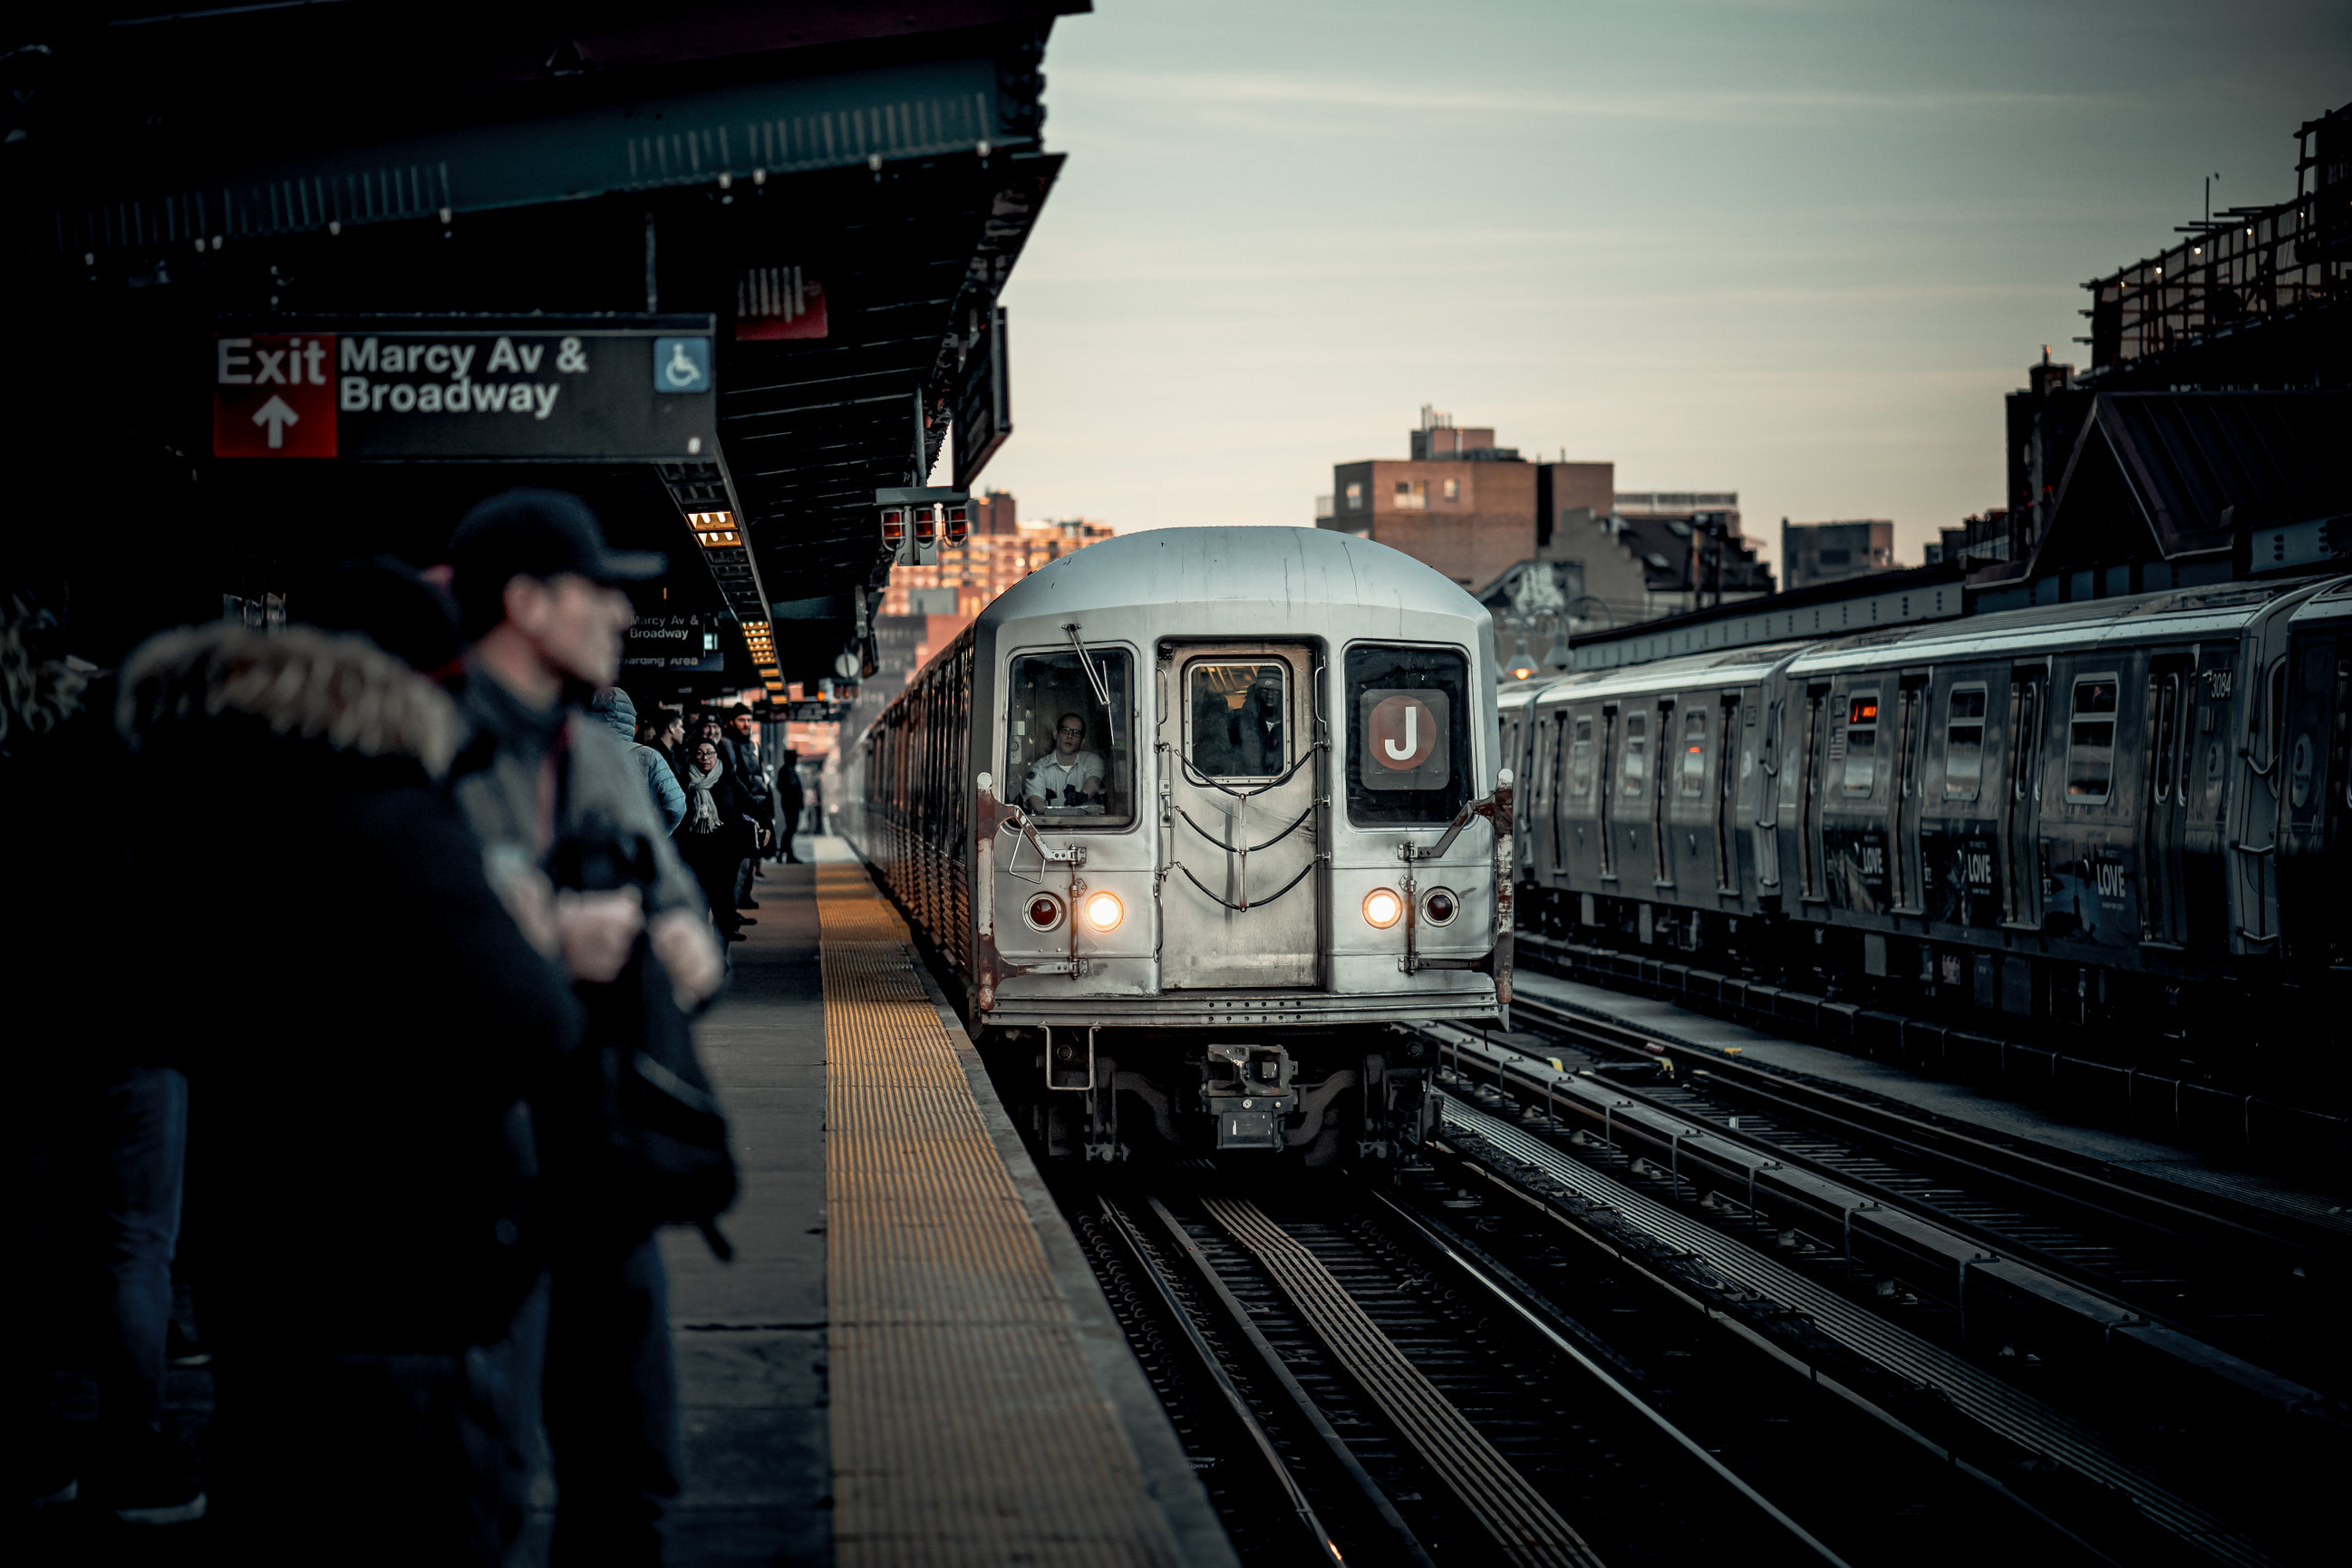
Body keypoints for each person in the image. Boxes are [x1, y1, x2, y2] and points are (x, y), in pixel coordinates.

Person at [112, 601, 589, 1563]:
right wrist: (537, 940)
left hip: (264, 1289)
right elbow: (535, 1026)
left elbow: (153, 1014)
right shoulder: (389, 807)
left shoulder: (208, 799)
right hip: (410, 1286)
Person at [443, 489, 726, 1567]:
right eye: (593, 587)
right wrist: (536, 939)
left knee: (631, 1460)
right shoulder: (429, 746)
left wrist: (679, 943)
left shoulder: (600, 753)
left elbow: (674, 904)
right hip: (478, 1165)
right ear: (525, 604)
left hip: (605, 1151)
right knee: (484, 1472)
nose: (619, 609)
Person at [5, 587, 204, 1530]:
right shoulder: (140, 758)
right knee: (136, 1244)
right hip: (141, 1026)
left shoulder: (19, 762)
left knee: (34, 1241)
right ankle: (137, 1446)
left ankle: (37, 1446)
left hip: (33, 1027)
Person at [673, 737, 768, 941]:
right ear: (693, 755)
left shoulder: (728, 778)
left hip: (726, 852)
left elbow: (748, 802)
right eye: (700, 752)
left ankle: (722, 945)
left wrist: (766, 823)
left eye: (710, 753)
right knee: (699, 902)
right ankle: (702, 947)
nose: (705, 757)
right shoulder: (683, 779)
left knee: (723, 899)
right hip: (696, 853)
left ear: (717, 756)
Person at [595, 687, 686, 833]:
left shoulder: (576, 754)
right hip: (633, 842)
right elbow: (676, 805)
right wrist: (655, 835)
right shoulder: (649, 756)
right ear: (630, 718)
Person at [720, 710, 773, 895]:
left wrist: (767, 807)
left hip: (755, 802)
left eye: (749, 720)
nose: (746, 724)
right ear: (732, 722)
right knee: (742, 857)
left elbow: (762, 776)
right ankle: (736, 902)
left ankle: (744, 897)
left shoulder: (754, 746)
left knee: (752, 854)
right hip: (740, 805)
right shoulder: (727, 745)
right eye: (741, 719)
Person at [1021, 711, 1108, 814]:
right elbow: (1037, 805)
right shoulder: (1038, 769)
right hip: (1050, 828)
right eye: (1065, 730)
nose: (1070, 736)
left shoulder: (1092, 760)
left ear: (1082, 741)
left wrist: (1083, 796)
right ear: (1055, 734)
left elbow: (1094, 780)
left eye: (1076, 733)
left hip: (1089, 828)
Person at [775, 747, 806, 864]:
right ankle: (784, 854)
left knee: (791, 829)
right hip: (790, 805)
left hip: (792, 805)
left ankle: (786, 854)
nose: (796, 760)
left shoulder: (789, 770)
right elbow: (784, 787)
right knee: (790, 829)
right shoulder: (786, 771)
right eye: (794, 758)